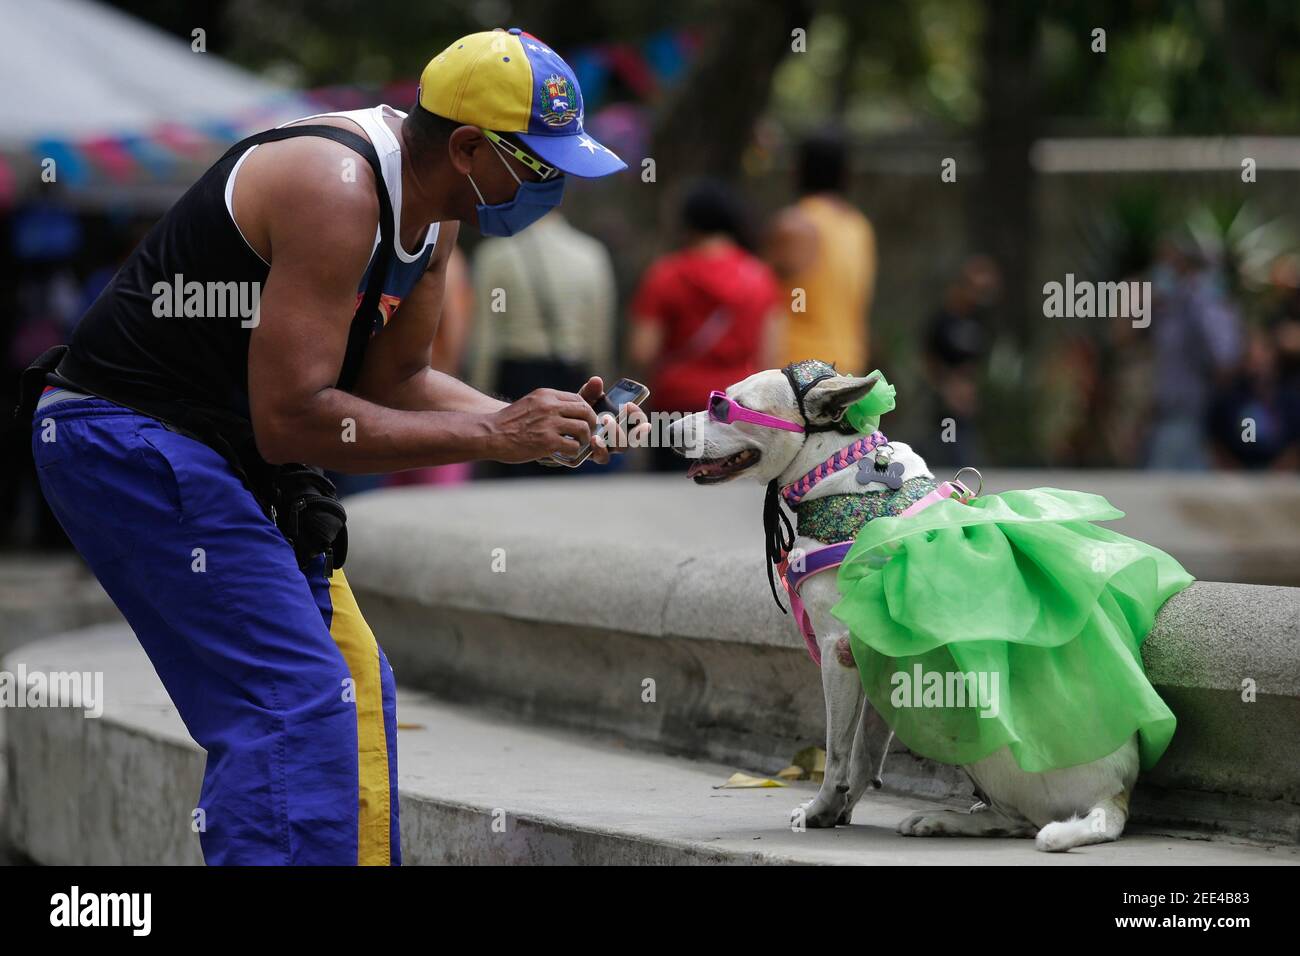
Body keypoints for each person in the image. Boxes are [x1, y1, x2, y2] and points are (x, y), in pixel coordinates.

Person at [17, 28, 642, 866]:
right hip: (126, 435)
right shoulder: (337, 187)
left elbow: (395, 383)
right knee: (291, 701)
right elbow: (297, 419)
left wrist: (538, 421)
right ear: (465, 148)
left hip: (227, 450)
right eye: (540, 165)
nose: (558, 184)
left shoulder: (438, 217)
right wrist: (497, 432)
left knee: (352, 684)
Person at [627, 179, 778, 472]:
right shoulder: (760, 277)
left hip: (673, 409)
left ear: (688, 223)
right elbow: (771, 356)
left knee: (669, 499)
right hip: (736, 408)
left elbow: (641, 351)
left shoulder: (665, 274)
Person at [468, 209, 617, 477]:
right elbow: (598, 338)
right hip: (575, 384)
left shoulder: (495, 254)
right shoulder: (590, 254)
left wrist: (478, 405)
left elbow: (484, 339)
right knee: (568, 476)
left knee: (514, 480)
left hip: (514, 384)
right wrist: (602, 397)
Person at [765, 128, 876, 374]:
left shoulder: (794, 225)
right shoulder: (859, 227)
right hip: (847, 370)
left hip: (796, 377)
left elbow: (759, 297)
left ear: (798, 169)